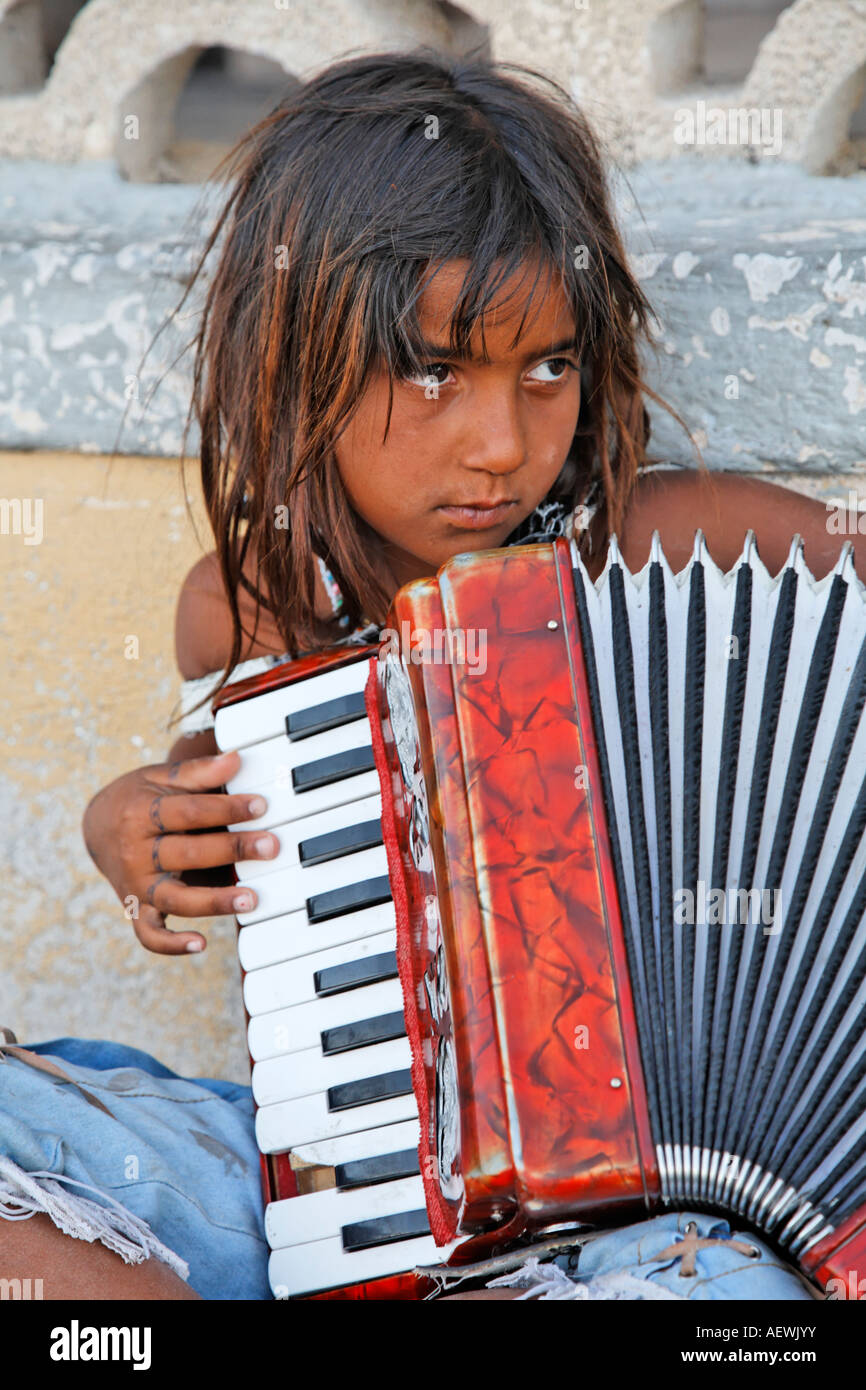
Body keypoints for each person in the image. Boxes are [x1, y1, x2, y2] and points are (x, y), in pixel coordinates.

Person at [2, 49, 859, 1301]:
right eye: (433, 369)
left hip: (653, 1248)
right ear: (296, 352)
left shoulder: (683, 544)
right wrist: (128, 829)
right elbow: (208, 825)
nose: (502, 444)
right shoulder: (254, 610)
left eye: (547, 367)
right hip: (354, 1203)